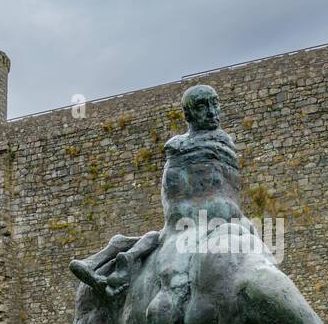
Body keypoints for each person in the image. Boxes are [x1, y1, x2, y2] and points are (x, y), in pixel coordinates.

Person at [69, 83, 244, 299]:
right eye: (201, 106)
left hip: (220, 223)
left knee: (155, 237)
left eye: (214, 104)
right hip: (191, 223)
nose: (211, 112)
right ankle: (126, 262)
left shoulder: (225, 143)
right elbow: (173, 198)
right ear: (188, 114)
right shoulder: (179, 147)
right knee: (170, 269)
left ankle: (120, 255)